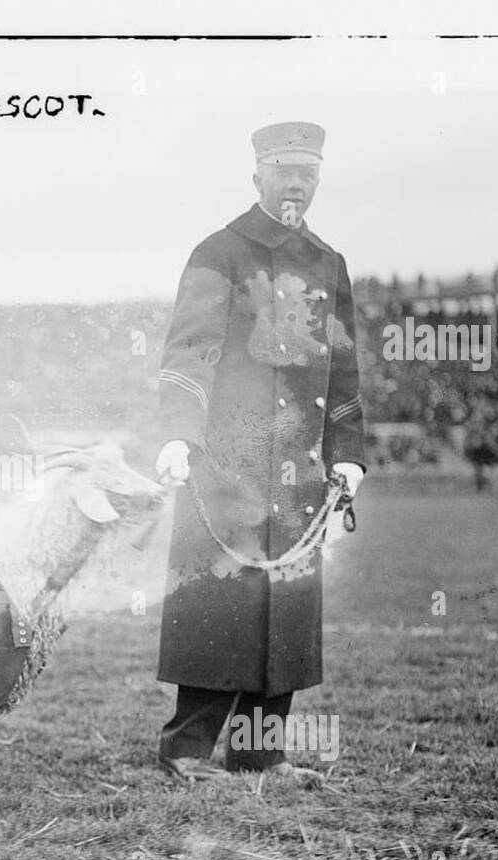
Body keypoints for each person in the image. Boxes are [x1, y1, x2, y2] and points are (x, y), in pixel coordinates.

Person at [153, 121, 367, 786]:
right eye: (284, 172)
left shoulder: (330, 264)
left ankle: (259, 757)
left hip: (301, 473)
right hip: (227, 468)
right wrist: (178, 436)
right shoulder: (219, 251)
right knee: (220, 608)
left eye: (308, 172)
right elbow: (191, 349)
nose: (297, 183)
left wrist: (348, 452)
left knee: (286, 615)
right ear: (258, 178)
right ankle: (185, 753)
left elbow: (345, 370)